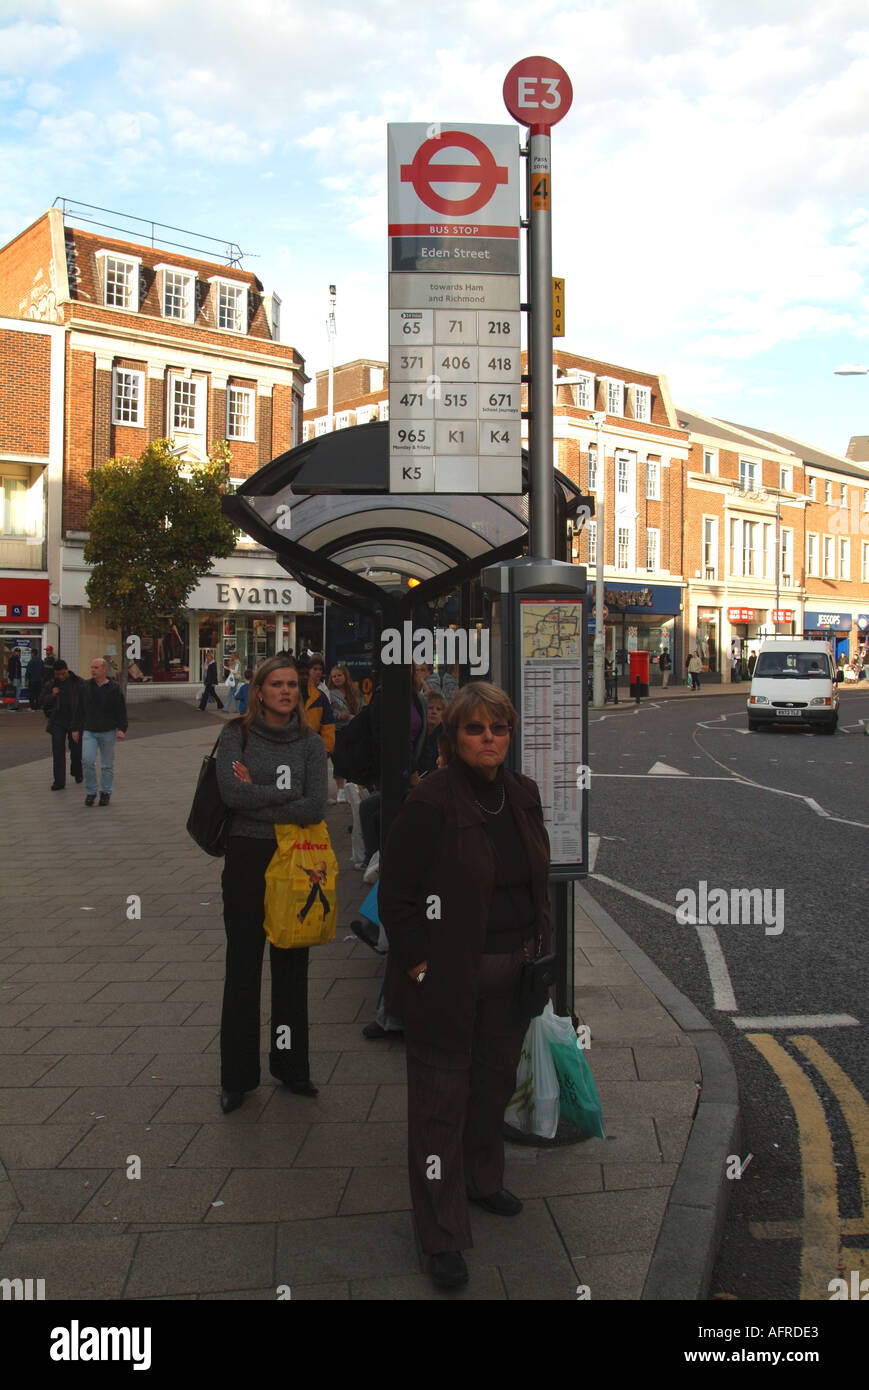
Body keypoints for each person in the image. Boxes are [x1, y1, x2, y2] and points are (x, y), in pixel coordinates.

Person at [379, 681, 552, 1291]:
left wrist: (540, 954)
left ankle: (483, 1181)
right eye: (475, 729)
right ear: (452, 737)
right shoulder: (430, 800)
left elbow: (538, 882)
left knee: (491, 1089)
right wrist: (422, 969)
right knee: (438, 1107)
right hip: (445, 983)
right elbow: (395, 900)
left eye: (498, 729)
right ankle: (441, 1234)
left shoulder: (521, 794)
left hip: (513, 975)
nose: (488, 739)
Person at [214, 655, 328, 1114]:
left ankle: (291, 1066)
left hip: (295, 859)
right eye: (276, 684)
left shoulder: (310, 743)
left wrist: (257, 797)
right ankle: (237, 1078)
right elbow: (230, 795)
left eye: (292, 685)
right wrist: (287, 798)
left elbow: (315, 807)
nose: (286, 691)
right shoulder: (235, 734)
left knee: (291, 963)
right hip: (246, 858)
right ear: (258, 691)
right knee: (242, 966)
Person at [72, 657, 128, 805]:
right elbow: (79, 709)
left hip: (108, 731)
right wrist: (75, 728)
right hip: (89, 730)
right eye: (91, 667)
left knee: (107, 764)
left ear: (104, 669)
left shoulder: (114, 688)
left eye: (96, 668)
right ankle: (91, 791)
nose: (92, 670)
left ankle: (105, 792)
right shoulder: (85, 686)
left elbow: (121, 710)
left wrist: (122, 728)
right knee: (87, 761)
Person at [41, 659, 83, 790]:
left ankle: (77, 771)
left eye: (62, 674)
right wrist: (52, 695)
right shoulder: (51, 684)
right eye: (58, 674)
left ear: (67, 670)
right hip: (57, 721)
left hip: (74, 721)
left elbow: (86, 700)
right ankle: (59, 781)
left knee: (76, 750)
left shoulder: (78, 682)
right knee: (58, 751)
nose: (60, 676)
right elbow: (42, 700)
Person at [328, 664, 360, 803]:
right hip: (338, 730)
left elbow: (362, 706)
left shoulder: (355, 691)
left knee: (353, 758)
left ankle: (352, 787)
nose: (336, 678)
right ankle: (340, 790)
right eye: (334, 676)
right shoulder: (329, 693)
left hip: (353, 729)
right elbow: (328, 712)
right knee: (339, 760)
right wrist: (340, 716)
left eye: (339, 675)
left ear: (345, 676)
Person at [297, 656, 335, 755]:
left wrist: (326, 749)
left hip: (313, 749)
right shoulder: (287, 695)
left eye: (306, 674)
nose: (304, 677)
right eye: (301, 674)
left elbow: (328, 724)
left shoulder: (320, 696)